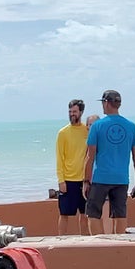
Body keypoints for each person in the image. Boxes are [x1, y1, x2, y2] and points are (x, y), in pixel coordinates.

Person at [83, 89, 135, 235]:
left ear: (106, 103)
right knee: (120, 214)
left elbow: (90, 157)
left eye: (103, 103)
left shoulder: (97, 126)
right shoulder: (132, 126)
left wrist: (86, 181)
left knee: (93, 213)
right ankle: (119, 243)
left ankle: (99, 243)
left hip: (101, 178)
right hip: (121, 179)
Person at [55, 99, 89, 235]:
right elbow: (59, 158)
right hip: (68, 180)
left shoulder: (87, 131)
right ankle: (61, 240)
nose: (71, 114)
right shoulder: (63, 133)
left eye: (74, 111)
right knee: (64, 214)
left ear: (81, 112)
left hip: (84, 180)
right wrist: (61, 180)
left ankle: (85, 240)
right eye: (70, 111)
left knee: (85, 214)